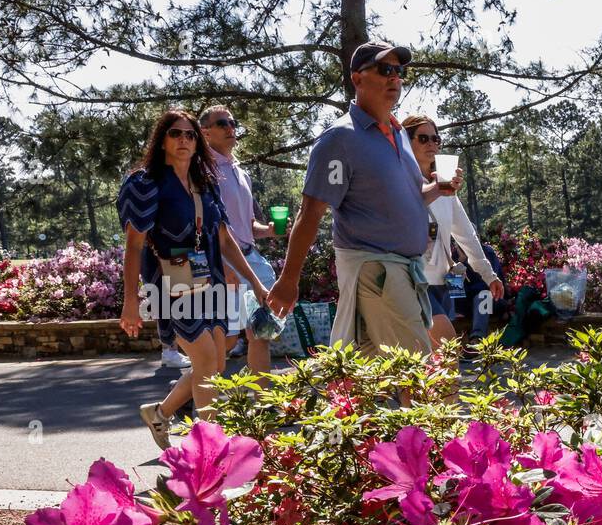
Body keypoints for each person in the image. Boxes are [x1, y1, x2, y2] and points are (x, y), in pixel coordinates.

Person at [266, 42, 459, 370]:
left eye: (399, 72)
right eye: (385, 70)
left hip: (399, 270)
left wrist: (436, 190)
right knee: (418, 373)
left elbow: (408, 200)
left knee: (360, 378)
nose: (394, 78)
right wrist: (288, 279)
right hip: (379, 269)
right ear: (357, 78)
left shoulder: (397, 135)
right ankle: (426, 424)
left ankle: (320, 415)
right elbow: (311, 212)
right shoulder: (340, 139)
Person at [117, 109, 272, 449]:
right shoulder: (145, 184)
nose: (183, 140)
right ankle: (210, 447)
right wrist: (131, 300)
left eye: (189, 135)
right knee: (204, 360)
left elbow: (225, 239)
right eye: (175, 134)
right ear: (162, 141)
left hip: (211, 282)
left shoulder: (206, 182)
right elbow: (134, 245)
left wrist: (255, 284)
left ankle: (161, 413)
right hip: (171, 286)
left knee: (215, 363)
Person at [401, 114, 503, 353]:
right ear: (406, 142)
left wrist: (489, 275)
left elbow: (467, 235)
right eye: (423, 138)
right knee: (447, 352)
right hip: (411, 280)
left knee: (428, 361)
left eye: (436, 139)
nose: (432, 144)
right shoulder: (400, 182)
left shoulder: (447, 188)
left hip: (442, 283)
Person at [199, 104, 281, 381]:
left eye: (233, 122)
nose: (230, 128)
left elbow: (247, 227)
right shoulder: (202, 171)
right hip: (223, 264)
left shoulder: (240, 171)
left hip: (252, 261)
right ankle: (189, 395)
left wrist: (269, 230)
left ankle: (264, 403)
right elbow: (201, 227)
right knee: (226, 342)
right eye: (222, 123)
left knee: (261, 332)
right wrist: (221, 268)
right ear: (205, 132)